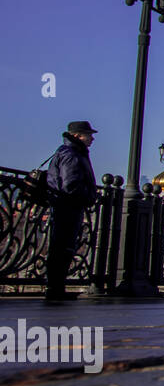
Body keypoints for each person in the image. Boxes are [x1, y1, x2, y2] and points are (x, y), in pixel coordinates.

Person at [44, 121, 97, 302]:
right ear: (76, 136)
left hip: (66, 206)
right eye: (88, 134)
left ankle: (56, 287)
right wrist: (88, 196)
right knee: (62, 247)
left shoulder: (71, 152)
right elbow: (70, 184)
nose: (92, 138)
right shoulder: (71, 154)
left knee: (63, 247)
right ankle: (55, 288)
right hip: (67, 206)